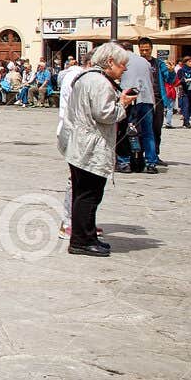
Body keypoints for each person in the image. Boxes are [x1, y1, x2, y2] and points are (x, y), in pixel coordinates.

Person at [59, 42, 136, 257]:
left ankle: (87, 235)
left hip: (78, 143)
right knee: (89, 194)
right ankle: (81, 240)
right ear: (110, 62)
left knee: (83, 192)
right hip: (90, 146)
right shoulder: (100, 82)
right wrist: (123, 104)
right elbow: (105, 114)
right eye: (122, 65)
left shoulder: (85, 77)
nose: (125, 69)